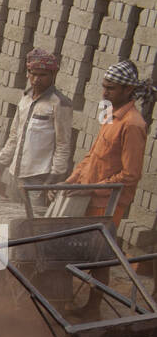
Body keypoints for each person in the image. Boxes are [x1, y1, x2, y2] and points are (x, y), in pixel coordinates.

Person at [64, 59, 154, 228]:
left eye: (111, 88)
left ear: (128, 90)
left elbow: (130, 174)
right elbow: (92, 156)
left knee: (93, 247)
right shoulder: (110, 115)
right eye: (104, 87)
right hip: (88, 198)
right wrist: (70, 181)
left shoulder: (133, 124)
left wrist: (92, 188)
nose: (104, 93)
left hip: (107, 204)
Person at [0, 49, 73, 214]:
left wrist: (52, 179)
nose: (36, 79)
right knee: (14, 219)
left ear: (53, 74)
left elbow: (63, 145)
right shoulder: (25, 99)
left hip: (38, 180)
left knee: (34, 222)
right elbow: (14, 137)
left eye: (42, 75)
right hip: (15, 175)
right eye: (32, 73)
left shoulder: (60, 103)